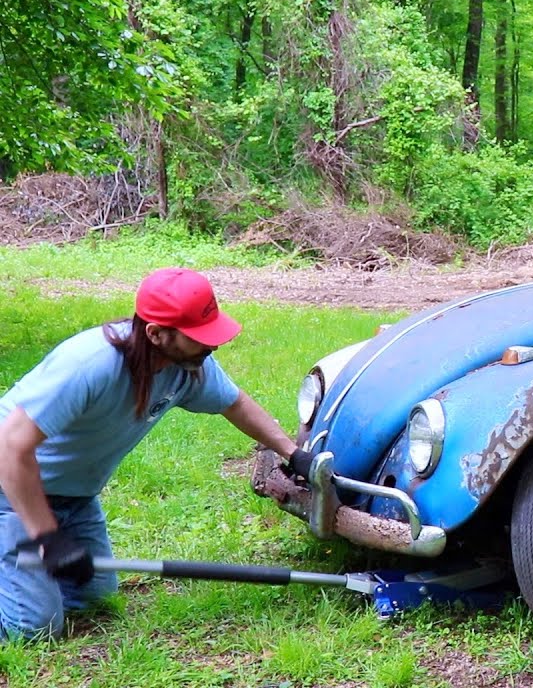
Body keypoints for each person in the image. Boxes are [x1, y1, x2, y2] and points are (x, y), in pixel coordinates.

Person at [0, 267, 314, 640]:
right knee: (32, 629)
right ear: (156, 333)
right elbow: (9, 447)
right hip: (13, 492)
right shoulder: (89, 366)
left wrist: (294, 454)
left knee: (94, 599)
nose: (213, 345)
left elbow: (236, 405)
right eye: (198, 337)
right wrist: (46, 536)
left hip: (75, 497)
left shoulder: (187, 368)